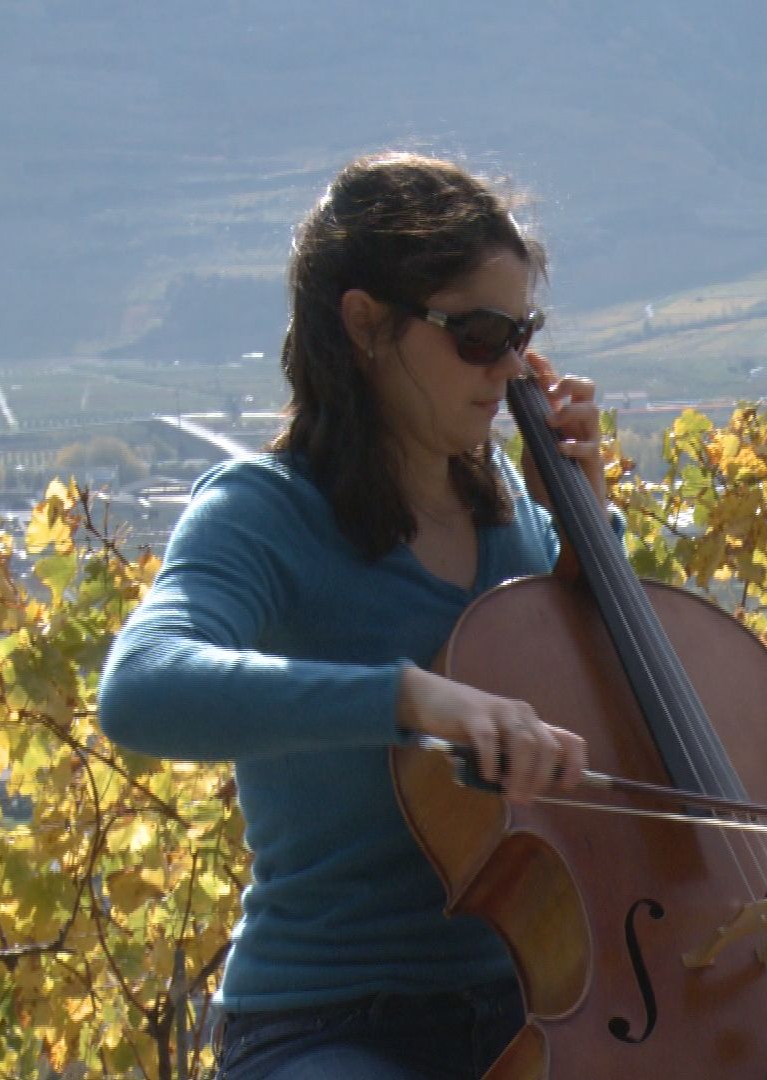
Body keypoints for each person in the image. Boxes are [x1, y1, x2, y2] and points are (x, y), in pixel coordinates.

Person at [97, 151, 603, 1080]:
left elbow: (618, 738)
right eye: (477, 334)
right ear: (367, 325)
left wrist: (589, 539)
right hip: (328, 1024)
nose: (508, 369)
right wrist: (407, 699)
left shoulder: (526, 529)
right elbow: (140, 688)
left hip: (540, 1009)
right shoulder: (263, 511)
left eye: (520, 333)